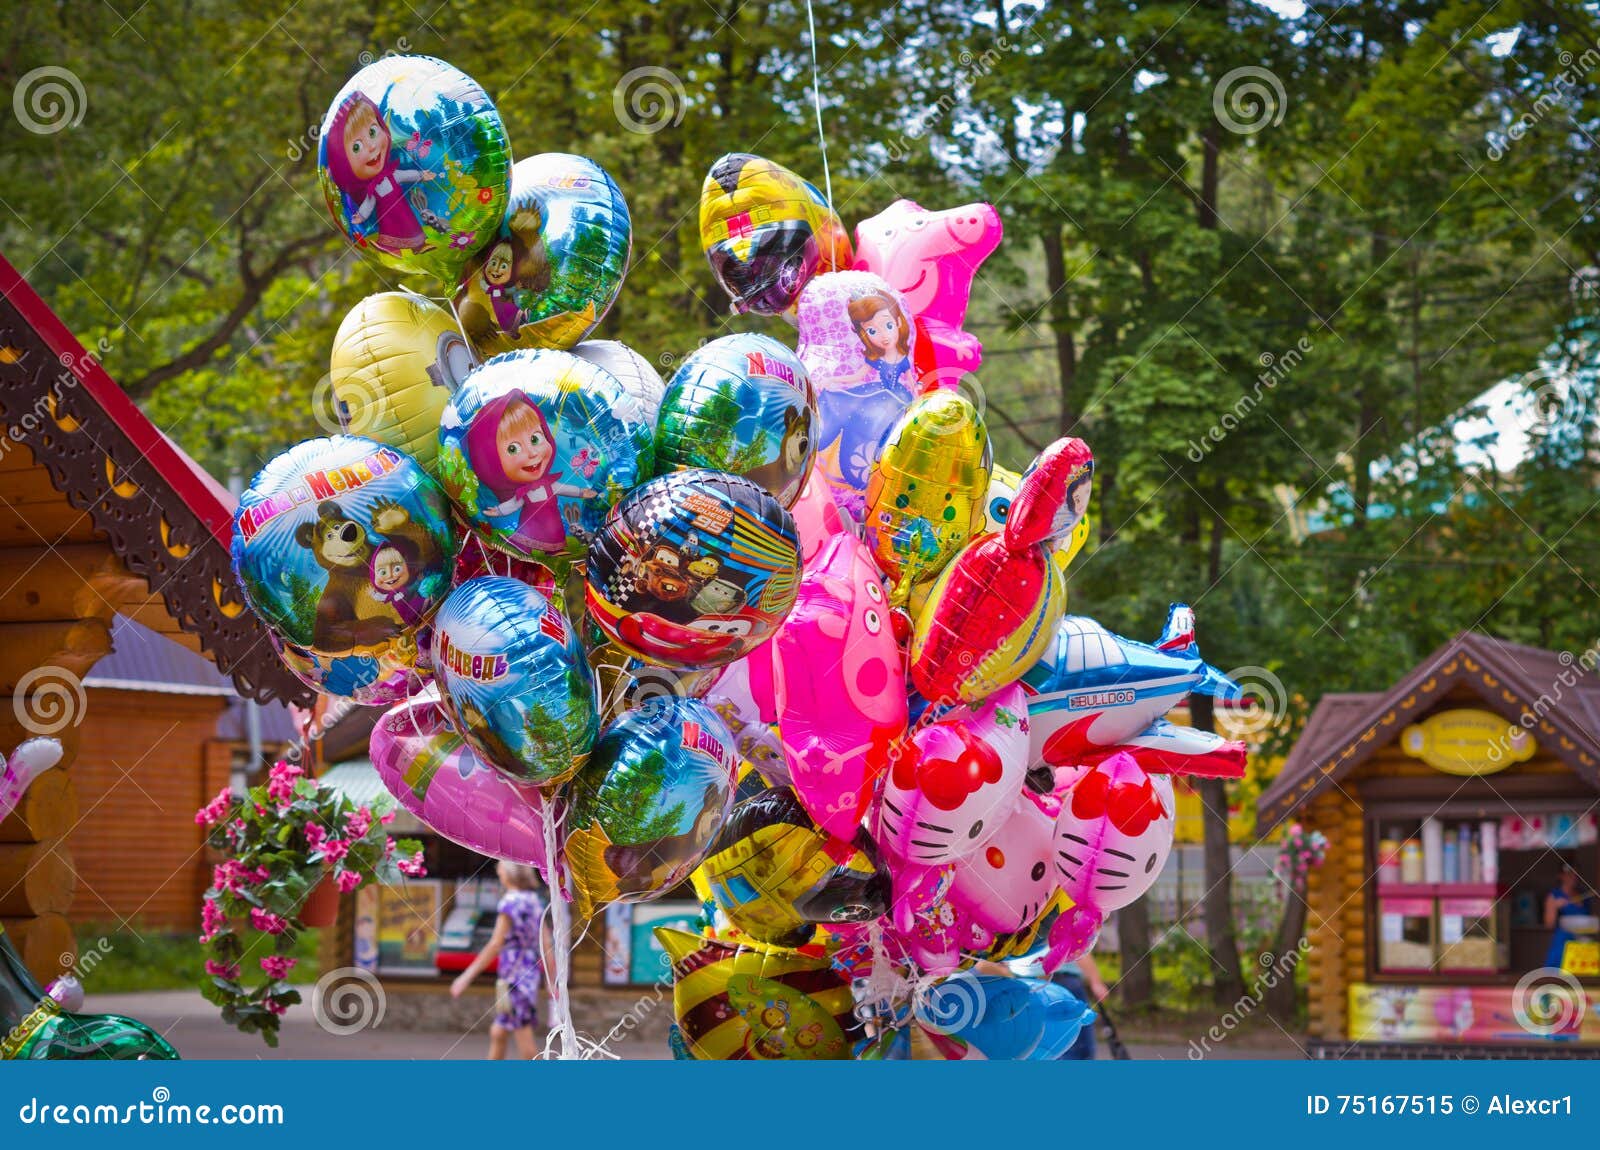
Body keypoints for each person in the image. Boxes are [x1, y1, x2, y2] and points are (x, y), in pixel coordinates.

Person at [451, 862, 552, 1059]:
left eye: (500, 872)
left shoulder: (509, 902)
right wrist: (552, 980)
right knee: (499, 1032)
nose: (499, 875)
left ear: (508, 874)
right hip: (528, 973)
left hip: (513, 975)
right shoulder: (535, 901)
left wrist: (466, 976)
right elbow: (546, 944)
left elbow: (495, 944)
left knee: (523, 1035)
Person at [1543, 861, 1596, 969]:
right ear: (1561, 876)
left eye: (1576, 874)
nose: (1573, 877)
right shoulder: (1554, 896)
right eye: (1569, 874)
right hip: (1563, 944)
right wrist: (1555, 907)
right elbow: (1549, 924)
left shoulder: (1583, 896)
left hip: (1582, 945)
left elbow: (1592, 920)